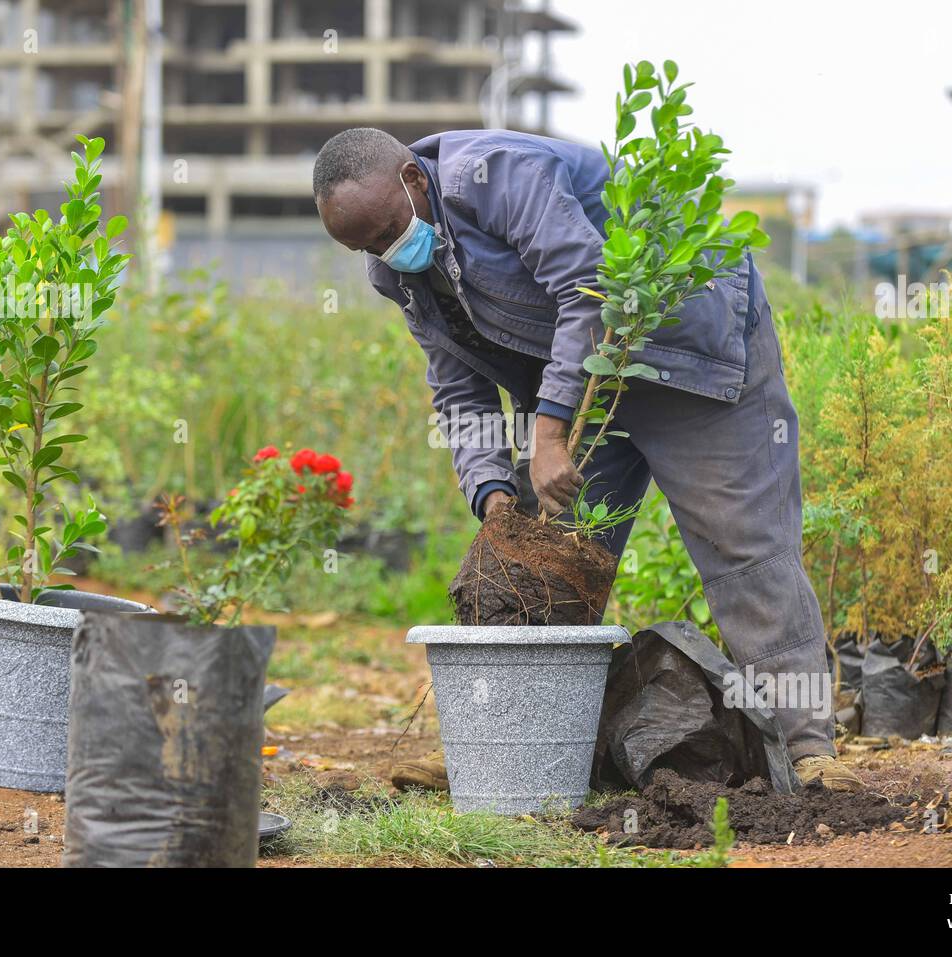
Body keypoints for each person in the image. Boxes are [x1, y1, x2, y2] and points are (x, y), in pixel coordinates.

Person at [312, 127, 863, 793]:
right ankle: (509, 747)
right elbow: (456, 381)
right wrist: (492, 494)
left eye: (388, 230)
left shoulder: (496, 176)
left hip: (686, 346)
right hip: (589, 381)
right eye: (364, 246)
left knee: (744, 546)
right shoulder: (397, 270)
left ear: (414, 180)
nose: (385, 252)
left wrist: (546, 436)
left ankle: (810, 751)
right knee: (533, 562)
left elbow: (584, 285)